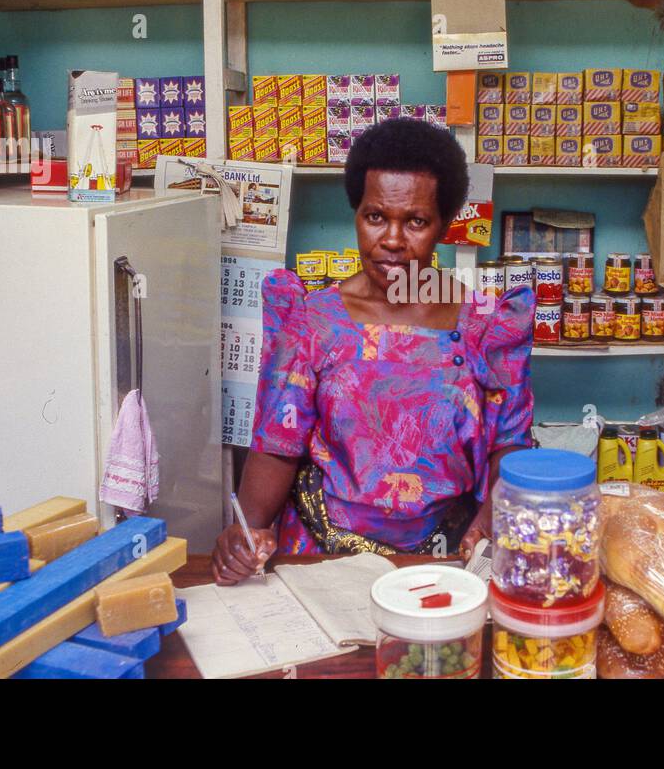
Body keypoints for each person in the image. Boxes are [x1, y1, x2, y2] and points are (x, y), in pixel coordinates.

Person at [212, 119, 533, 584]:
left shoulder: (487, 321)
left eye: (416, 221)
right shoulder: (314, 320)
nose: (392, 241)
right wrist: (246, 532)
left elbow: (511, 443)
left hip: (448, 560)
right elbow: (277, 446)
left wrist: (495, 512)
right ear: (356, 213)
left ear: (443, 223)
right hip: (322, 560)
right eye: (376, 216)